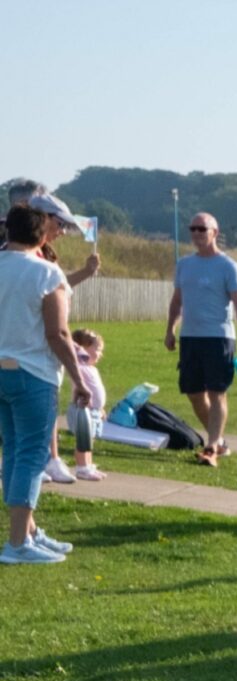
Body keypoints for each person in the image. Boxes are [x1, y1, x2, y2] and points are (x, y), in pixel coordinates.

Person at [1, 202, 89, 564]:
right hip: (32, 372)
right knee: (32, 456)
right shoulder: (48, 273)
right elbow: (59, 333)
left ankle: (30, 531)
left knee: (12, 452)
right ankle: (17, 543)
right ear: (41, 235)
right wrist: (79, 378)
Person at [163, 213, 237, 467]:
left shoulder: (228, 266)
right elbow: (177, 301)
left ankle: (211, 447)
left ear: (215, 232)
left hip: (219, 338)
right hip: (190, 338)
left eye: (202, 229)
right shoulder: (184, 264)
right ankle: (219, 440)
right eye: (192, 229)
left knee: (217, 393)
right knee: (193, 392)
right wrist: (170, 329)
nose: (196, 233)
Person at [62, 327, 108, 481]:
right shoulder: (79, 367)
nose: (100, 354)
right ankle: (82, 467)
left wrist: (100, 408)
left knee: (89, 440)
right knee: (83, 439)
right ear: (84, 348)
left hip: (94, 411)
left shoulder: (91, 368)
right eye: (97, 349)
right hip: (82, 410)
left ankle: (88, 464)